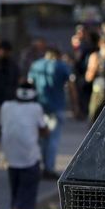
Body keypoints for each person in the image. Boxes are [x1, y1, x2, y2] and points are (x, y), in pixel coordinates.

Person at [0, 80, 48, 209]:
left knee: (21, 203)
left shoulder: (6, 107)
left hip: (11, 162)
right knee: (22, 204)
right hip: (30, 161)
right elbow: (44, 130)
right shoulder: (35, 109)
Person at [27, 46, 74, 178]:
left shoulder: (36, 65)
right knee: (53, 139)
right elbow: (71, 85)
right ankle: (49, 168)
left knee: (42, 138)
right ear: (57, 55)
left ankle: (41, 166)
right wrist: (76, 106)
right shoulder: (61, 66)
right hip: (56, 106)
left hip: (39, 106)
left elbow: (30, 83)